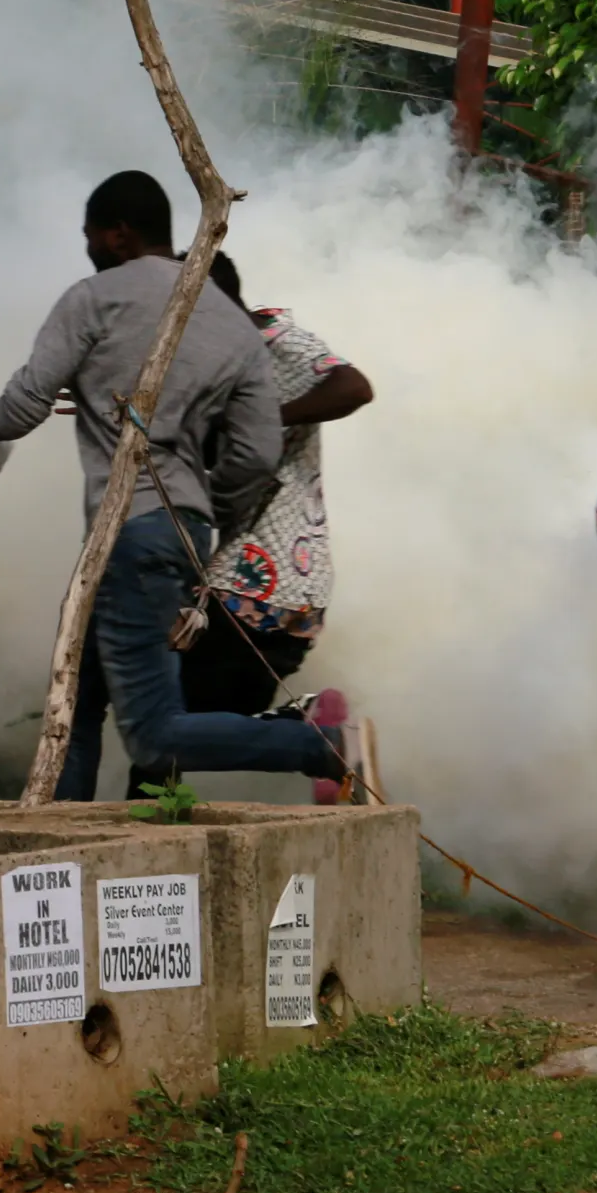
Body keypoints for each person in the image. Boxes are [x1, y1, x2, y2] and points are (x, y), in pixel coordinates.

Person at [0, 170, 377, 802]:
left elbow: (23, 406)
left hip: (129, 536)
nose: (89, 249)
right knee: (73, 704)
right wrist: (211, 516)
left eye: (91, 236)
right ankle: (54, 850)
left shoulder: (97, 298)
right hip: (180, 537)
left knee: (154, 737)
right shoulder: (230, 324)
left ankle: (318, 747)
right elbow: (255, 453)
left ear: (119, 234)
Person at [179, 254, 377, 802]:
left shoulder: (271, 338)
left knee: (161, 729)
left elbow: (354, 388)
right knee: (209, 725)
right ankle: (309, 727)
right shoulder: (220, 360)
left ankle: (321, 737)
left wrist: (258, 419)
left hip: (252, 584)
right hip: (286, 590)